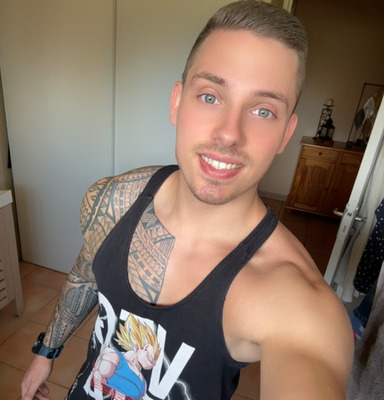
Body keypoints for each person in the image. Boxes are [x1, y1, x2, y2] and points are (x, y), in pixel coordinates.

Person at [21, 1, 354, 399]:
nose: (229, 133)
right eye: (211, 96)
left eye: (263, 111)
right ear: (177, 102)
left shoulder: (296, 300)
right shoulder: (115, 199)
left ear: (286, 133)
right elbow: (86, 274)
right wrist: (46, 351)